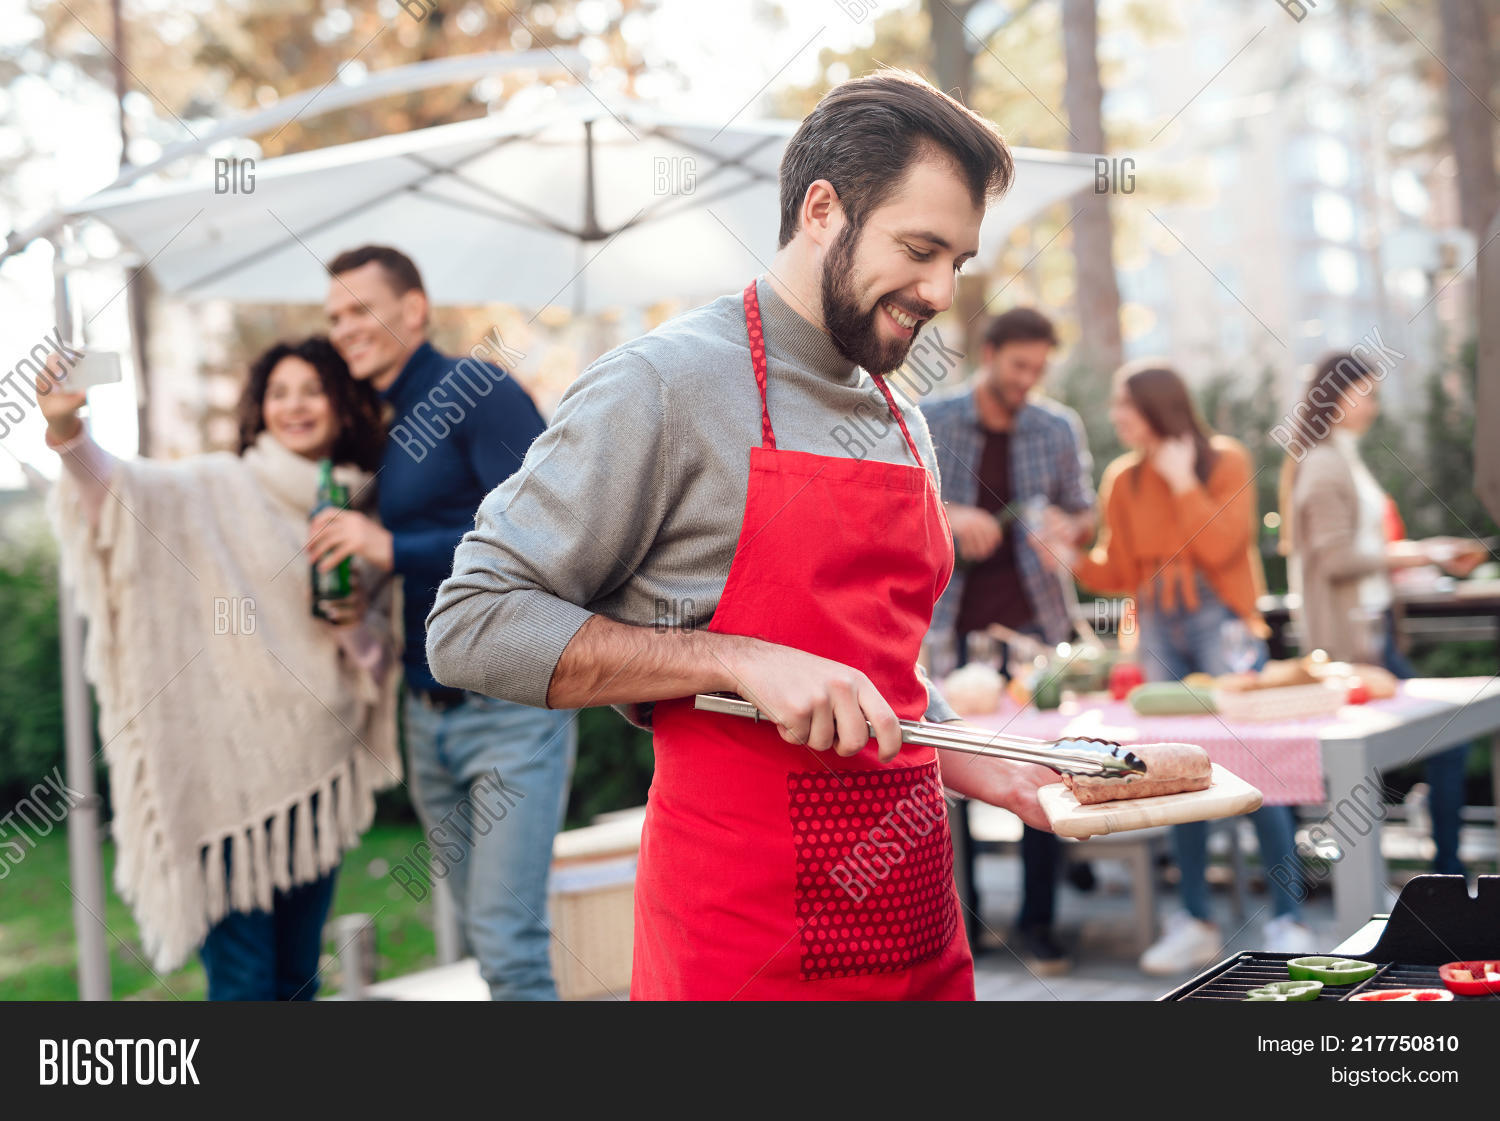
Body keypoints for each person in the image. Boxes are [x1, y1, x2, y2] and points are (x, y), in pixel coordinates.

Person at [426, 70, 1059, 1000]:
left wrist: (1010, 773)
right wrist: (734, 658)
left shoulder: (902, 414)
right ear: (821, 209)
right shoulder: (665, 384)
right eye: (920, 249)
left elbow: (889, 685)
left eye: (957, 262)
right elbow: (470, 624)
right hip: (740, 947)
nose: (938, 291)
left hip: (918, 933)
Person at [41, 337, 401, 1000]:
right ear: (260, 408)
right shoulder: (216, 486)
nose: (294, 405)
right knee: (243, 983)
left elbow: (378, 663)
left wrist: (351, 623)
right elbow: (118, 496)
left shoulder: (366, 507)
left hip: (310, 777)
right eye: (279, 392)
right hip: (224, 778)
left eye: (311, 389)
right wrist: (68, 430)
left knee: (296, 979)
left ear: (342, 404)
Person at [308, 245, 576, 1001]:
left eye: (360, 310)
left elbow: (546, 530)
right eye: (334, 317)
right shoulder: (379, 423)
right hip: (427, 710)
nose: (345, 329)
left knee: (508, 944)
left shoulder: (477, 388)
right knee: (481, 938)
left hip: (511, 709)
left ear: (413, 310)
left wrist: (392, 546)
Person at [1051, 360, 1318, 973]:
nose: (1116, 416)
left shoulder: (1225, 461)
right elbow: (1118, 572)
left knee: (1257, 765)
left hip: (1220, 621)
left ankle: (1288, 917)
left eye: (1125, 404)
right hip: (1158, 627)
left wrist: (1182, 483)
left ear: (1157, 407)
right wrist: (1070, 554)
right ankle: (1195, 917)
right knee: (1174, 771)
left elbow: (1226, 545)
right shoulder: (1122, 479)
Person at [921, 307, 1095, 974]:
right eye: (1018, 365)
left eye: (1038, 369)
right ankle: (959, 925)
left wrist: (1066, 528)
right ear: (989, 354)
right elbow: (898, 505)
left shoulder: (1056, 427)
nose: (1028, 380)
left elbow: (1082, 511)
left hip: (1035, 634)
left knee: (1043, 770)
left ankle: (1038, 925)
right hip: (952, 632)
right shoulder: (931, 419)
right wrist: (950, 513)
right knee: (949, 776)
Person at [1280, 350, 1476, 877]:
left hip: (1373, 633)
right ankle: (1440, 880)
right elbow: (1337, 558)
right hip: (1352, 646)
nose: (1373, 404)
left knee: (1397, 760)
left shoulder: (1343, 457)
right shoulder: (1323, 463)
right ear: (1336, 396)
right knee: (1435, 747)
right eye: (1365, 391)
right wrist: (1424, 552)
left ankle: (1420, 879)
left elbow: (1363, 552)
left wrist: (1416, 557)